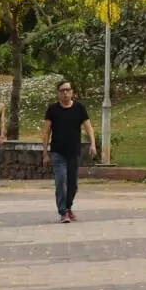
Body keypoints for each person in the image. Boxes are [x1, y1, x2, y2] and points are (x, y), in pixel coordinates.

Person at [42, 80, 97, 223]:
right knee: (61, 182)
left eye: (67, 90)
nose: (65, 93)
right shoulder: (52, 109)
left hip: (74, 152)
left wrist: (93, 144)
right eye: (62, 90)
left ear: (72, 92)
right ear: (58, 93)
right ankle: (63, 212)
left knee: (73, 184)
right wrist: (45, 153)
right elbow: (46, 132)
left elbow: (88, 127)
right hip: (57, 152)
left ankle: (68, 206)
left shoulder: (79, 108)